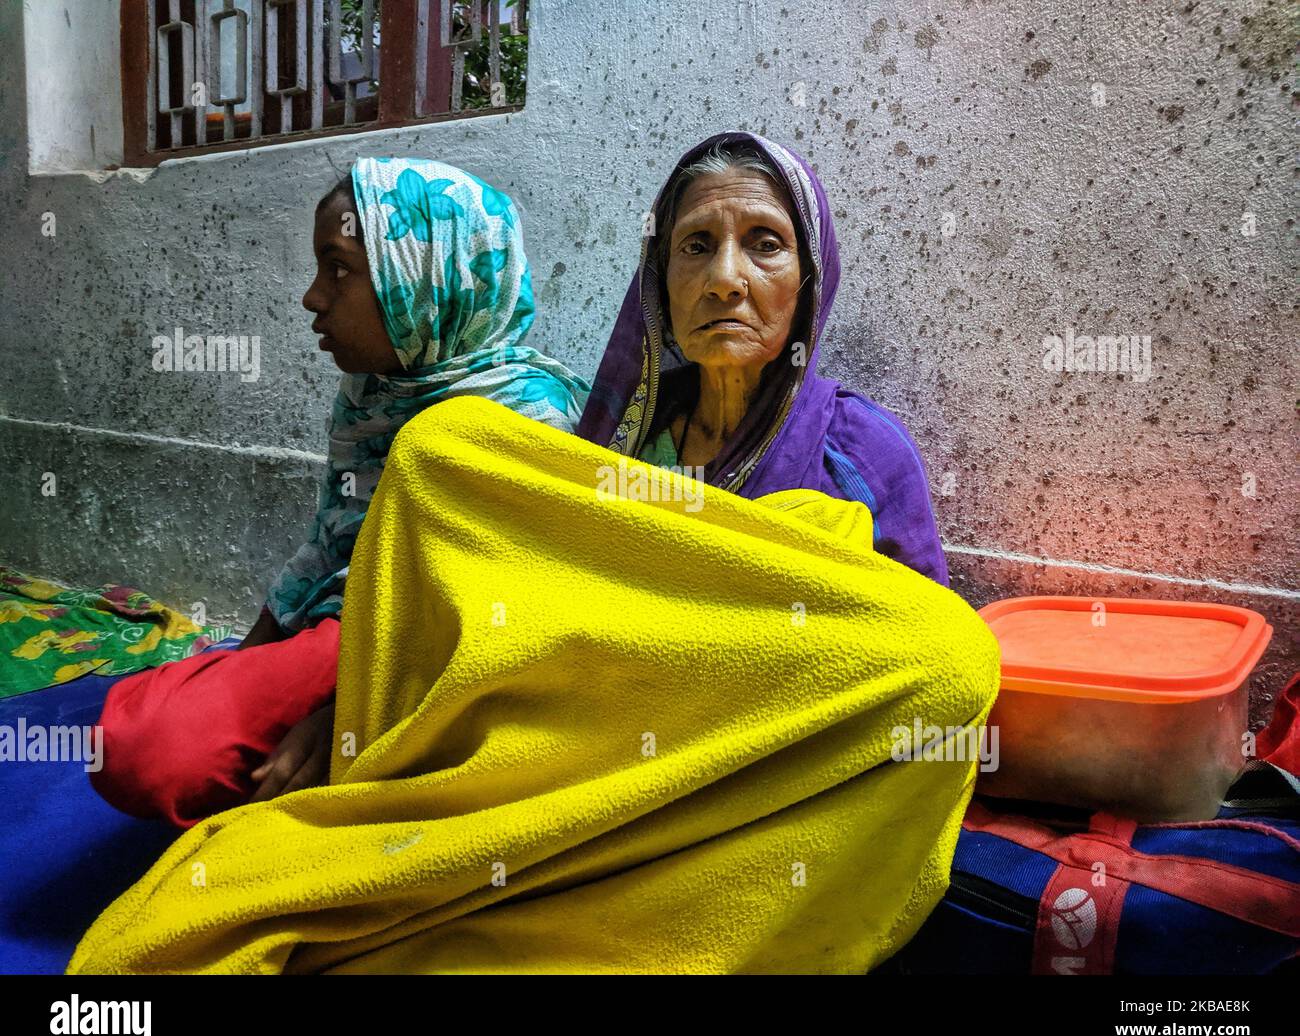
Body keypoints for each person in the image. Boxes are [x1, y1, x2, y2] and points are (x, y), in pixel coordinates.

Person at [90, 159, 589, 828]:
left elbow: (514, 628)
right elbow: (327, 544)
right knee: (143, 737)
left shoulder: (529, 422)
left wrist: (347, 715)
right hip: (345, 636)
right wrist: (254, 668)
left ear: (422, 278)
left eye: (340, 269)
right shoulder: (374, 395)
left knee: (145, 747)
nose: (313, 298)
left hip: (429, 664)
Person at [577, 131, 948, 584]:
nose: (724, 279)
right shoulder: (633, 429)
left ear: (809, 284)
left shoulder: (862, 451)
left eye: (766, 245)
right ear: (660, 283)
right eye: (696, 246)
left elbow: (924, 633)